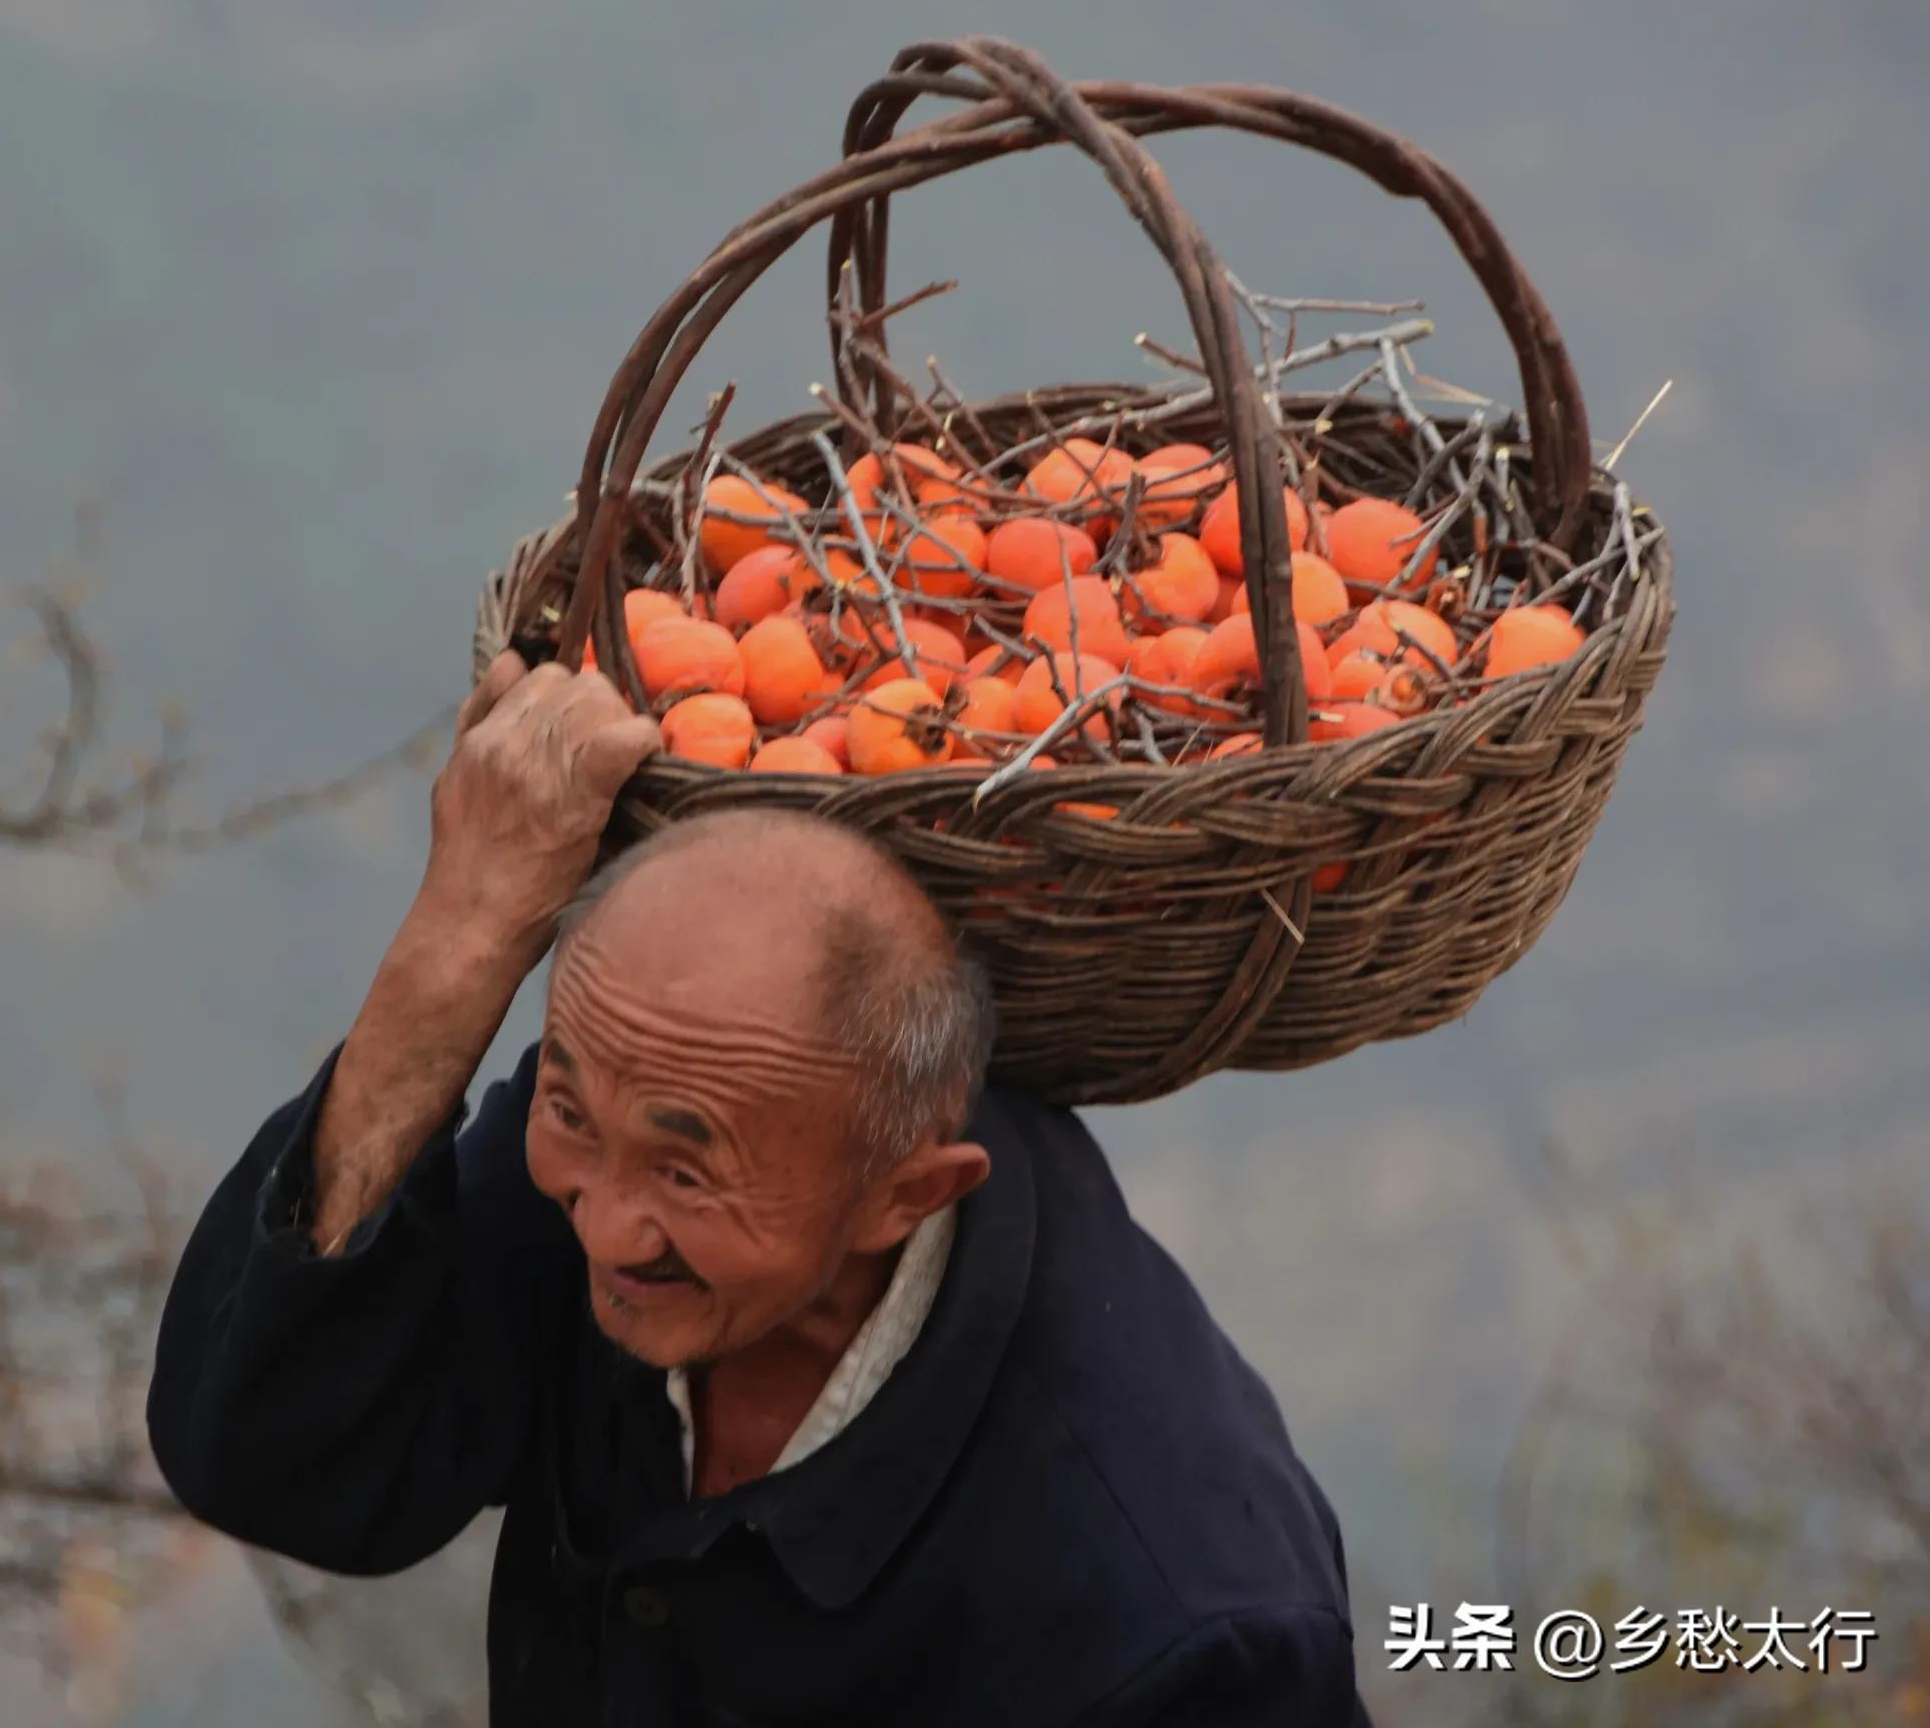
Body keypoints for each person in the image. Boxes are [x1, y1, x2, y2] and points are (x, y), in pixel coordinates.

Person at [150, 651, 1370, 1726]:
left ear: (908, 1196)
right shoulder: (634, 1134)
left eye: (685, 1172)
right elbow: (274, 1456)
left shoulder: (1172, 1623)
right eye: (566, 1109)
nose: (605, 1226)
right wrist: (463, 934)